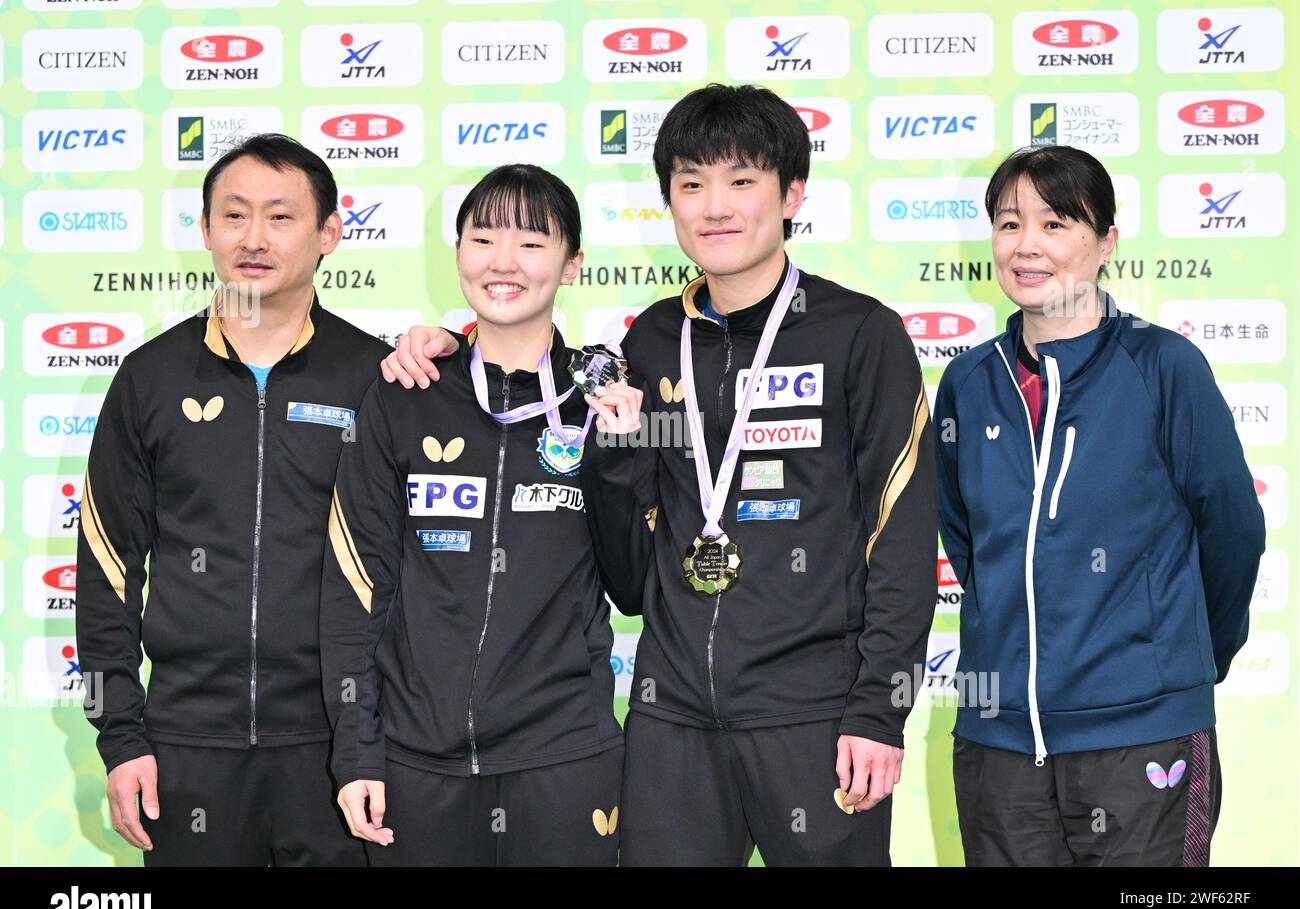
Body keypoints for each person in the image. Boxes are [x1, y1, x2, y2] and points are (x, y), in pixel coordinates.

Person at [386, 85, 938, 866]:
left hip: (812, 714)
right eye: (691, 183)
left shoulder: (860, 334)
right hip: (672, 714)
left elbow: (904, 536)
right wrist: (448, 340)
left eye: (742, 180)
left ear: (793, 194)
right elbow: (628, 575)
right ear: (668, 201)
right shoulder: (649, 340)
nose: (715, 205)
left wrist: (879, 712)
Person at [933, 144, 1266, 866]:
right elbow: (968, 543)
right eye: (1008, 223)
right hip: (997, 742)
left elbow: (1232, 530)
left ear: (1106, 241)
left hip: (1142, 736)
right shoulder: (967, 381)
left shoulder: (1162, 366)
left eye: (1056, 224)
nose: (1027, 245)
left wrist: (1174, 658)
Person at [76, 133, 398, 864]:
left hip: (338, 752)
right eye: (235, 216)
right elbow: (105, 573)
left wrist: (373, 739)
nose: (254, 239)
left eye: (281, 217)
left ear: (330, 234)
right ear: (206, 230)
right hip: (185, 750)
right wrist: (121, 738)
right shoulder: (148, 378)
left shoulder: (376, 378)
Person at [320, 164, 645, 866]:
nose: (503, 261)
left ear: (573, 263)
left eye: (532, 243)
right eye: (483, 238)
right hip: (414, 763)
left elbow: (634, 586)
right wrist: (357, 750)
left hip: (563, 758)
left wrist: (619, 454)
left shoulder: (603, 400)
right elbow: (356, 588)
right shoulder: (406, 390)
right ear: (459, 252)